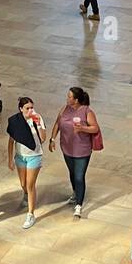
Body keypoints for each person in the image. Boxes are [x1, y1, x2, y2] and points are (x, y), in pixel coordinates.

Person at [48, 87, 100, 219]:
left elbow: (95, 128)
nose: (67, 98)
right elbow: (57, 123)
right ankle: (76, 193)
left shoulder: (87, 111)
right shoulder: (64, 109)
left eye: (70, 97)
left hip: (82, 149)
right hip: (67, 147)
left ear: (76, 100)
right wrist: (52, 139)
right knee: (72, 173)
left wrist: (82, 128)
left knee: (79, 176)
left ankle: (79, 205)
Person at [7, 96, 47, 230]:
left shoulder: (38, 118)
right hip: (20, 156)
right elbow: (11, 141)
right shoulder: (15, 121)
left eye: (32, 107)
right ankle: (26, 195)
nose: (30, 110)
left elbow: (43, 138)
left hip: (34, 156)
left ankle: (30, 214)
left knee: (30, 185)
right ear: (21, 109)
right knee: (23, 184)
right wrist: (10, 159)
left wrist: (39, 124)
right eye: (27, 108)